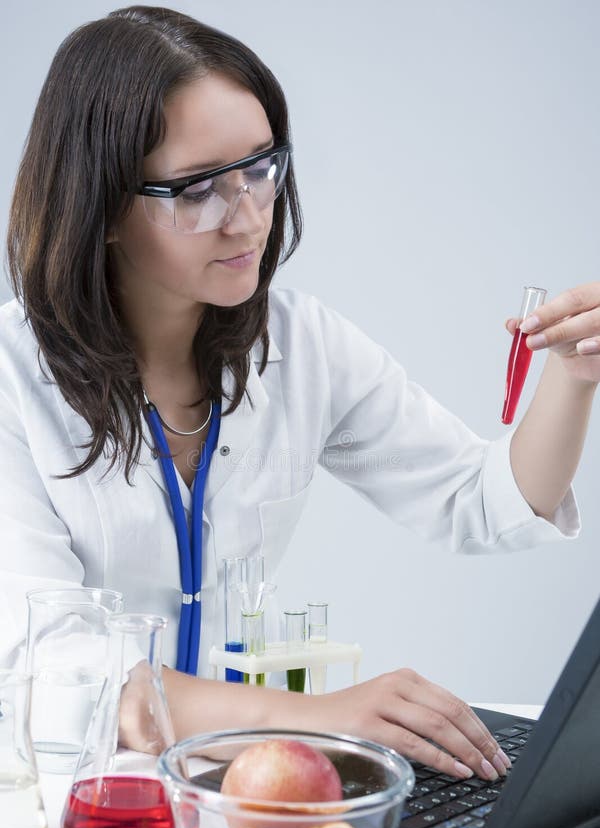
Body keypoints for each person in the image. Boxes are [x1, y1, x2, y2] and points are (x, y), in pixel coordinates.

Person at [1, 5, 598, 785]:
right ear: (104, 207)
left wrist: (575, 374)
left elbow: (482, 499)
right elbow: (58, 668)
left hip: (229, 794)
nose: (248, 217)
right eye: (199, 190)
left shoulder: (298, 344)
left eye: (260, 167)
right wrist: (324, 719)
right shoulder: (13, 377)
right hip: (58, 809)